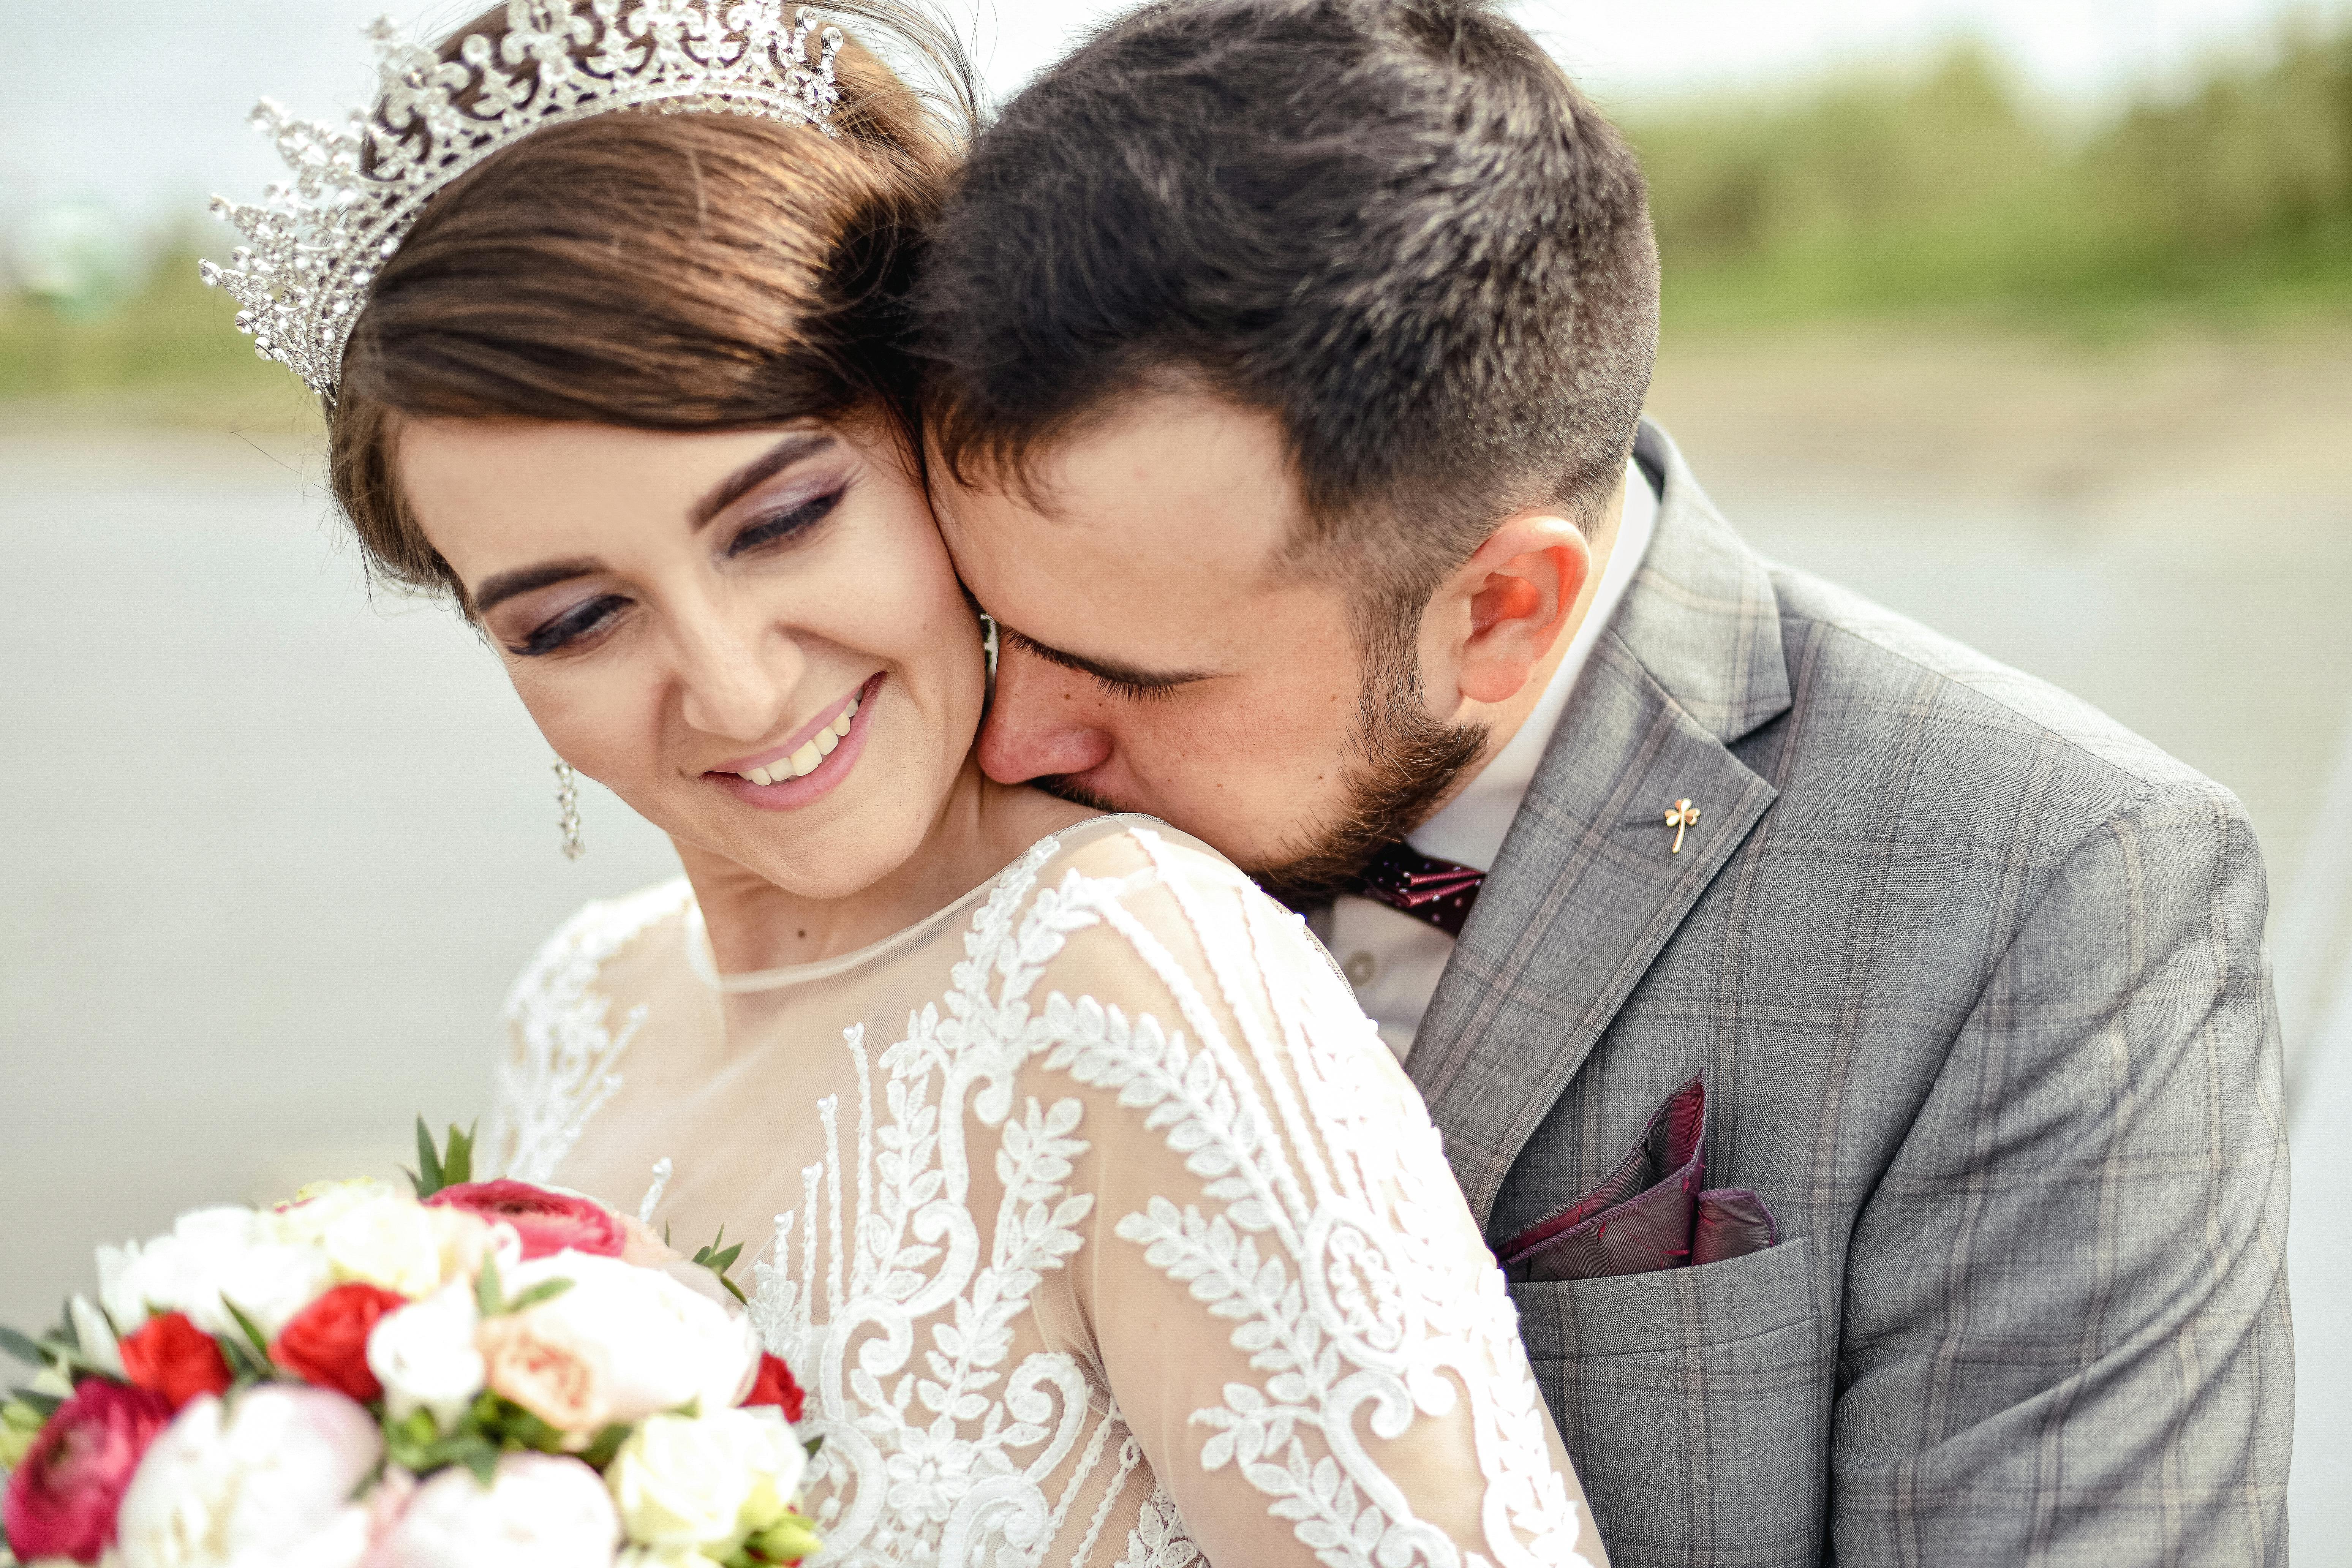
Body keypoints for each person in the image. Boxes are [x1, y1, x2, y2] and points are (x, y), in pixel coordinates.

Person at [204, 1, 1599, 1563]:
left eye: (783, 517)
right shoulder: (580, 1007)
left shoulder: (1126, 975)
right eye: (577, 618)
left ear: (934, 433)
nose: (736, 685)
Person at [914, 0, 2295, 1562]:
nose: (1010, 741)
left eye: (1138, 673)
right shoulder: (928, 805)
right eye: (989, 624)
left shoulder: (2054, 888)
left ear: (1500, 613)